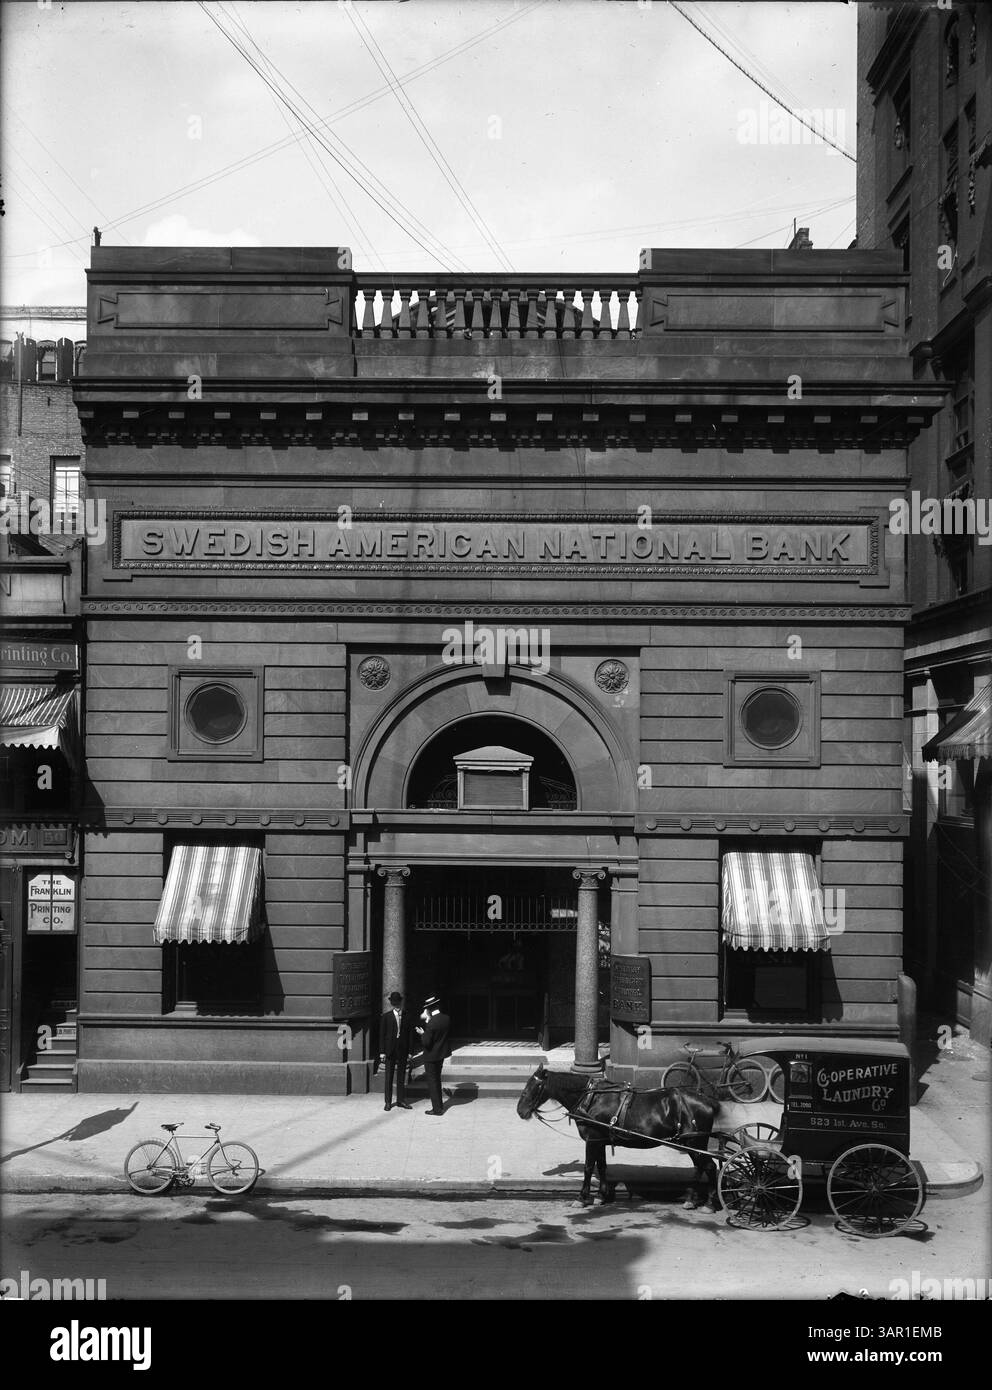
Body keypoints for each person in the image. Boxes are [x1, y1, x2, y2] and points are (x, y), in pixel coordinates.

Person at [415, 994, 451, 1116]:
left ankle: (437, 1109)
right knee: (437, 1080)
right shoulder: (446, 1018)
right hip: (441, 1054)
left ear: (429, 1009)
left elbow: (427, 1042)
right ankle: (439, 1106)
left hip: (431, 1056)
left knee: (432, 1082)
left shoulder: (431, 1023)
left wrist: (422, 1033)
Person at [378, 991, 412, 1111]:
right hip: (389, 1050)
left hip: (402, 1050)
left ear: (401, 1002)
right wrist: (382, 1052)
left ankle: (400, 1100)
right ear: (392, 1003)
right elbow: (382, 1035)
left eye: (398, 1003)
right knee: (389, 1077)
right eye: (394, 1003)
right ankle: (388, 1102)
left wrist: (410, 1051)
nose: (397, 1005)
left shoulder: (407, 1016)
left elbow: (410, 1035)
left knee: (401, 1076)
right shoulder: (386, 1017)